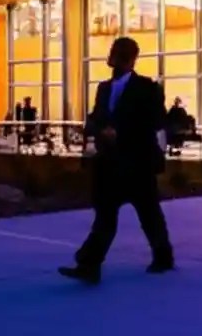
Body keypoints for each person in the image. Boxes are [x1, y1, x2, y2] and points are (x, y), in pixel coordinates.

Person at [59, 37, 173, 283]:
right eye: (113, 52)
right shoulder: (104, 88)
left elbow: (155, 121)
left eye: (120, 54)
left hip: (137, 164)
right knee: (105, 216)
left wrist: (120, 132)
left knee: (149, 214)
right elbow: (97, 117)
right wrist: (92, 127)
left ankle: (163, 257)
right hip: (109, 164)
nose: (114, 58)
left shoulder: (147, 88)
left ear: (131, 59)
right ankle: (89, 265)